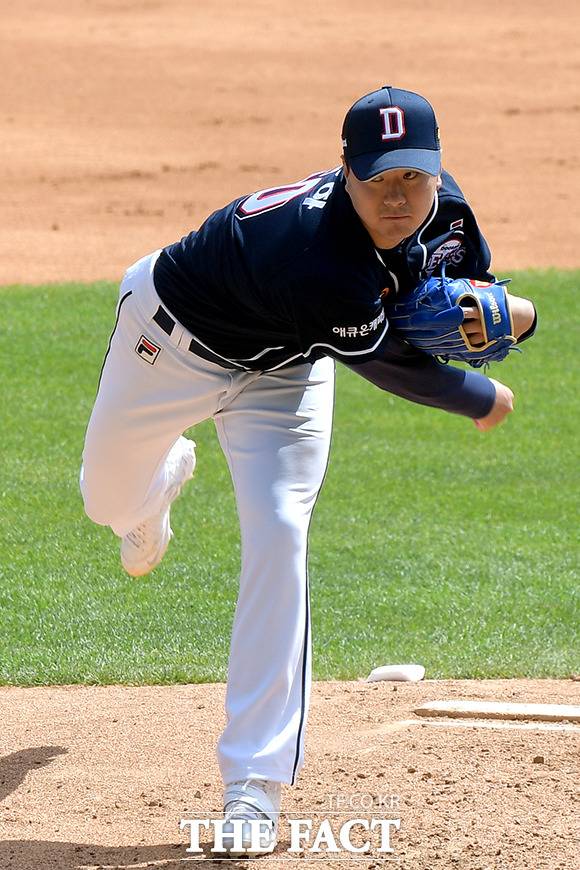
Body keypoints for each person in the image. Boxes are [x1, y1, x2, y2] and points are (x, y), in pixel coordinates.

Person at [80, 86, 536, 853]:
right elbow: (393, 365)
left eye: (414, 177)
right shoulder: (315, 252)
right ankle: (154, 490)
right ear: (346, 170)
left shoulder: (448, 212)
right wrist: (479, 397)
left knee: (280, 528)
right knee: (106, 503)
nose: (399, 198)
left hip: (285, 371)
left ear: (437, 169)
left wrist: (525, 315)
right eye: (379, 179)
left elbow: (475, 298)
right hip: (170, 344)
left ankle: (252, 787)